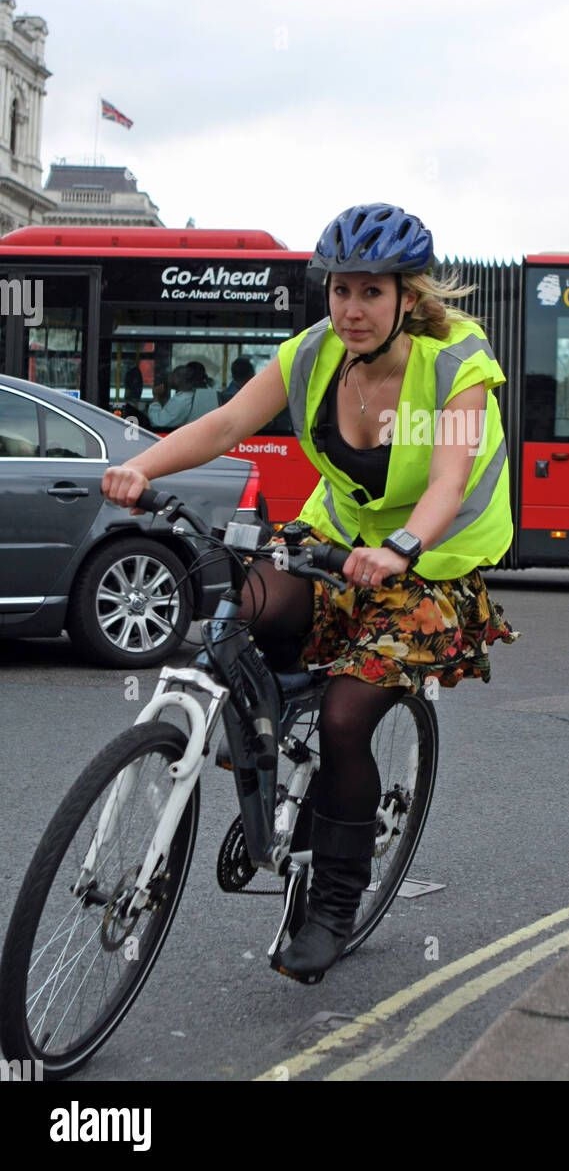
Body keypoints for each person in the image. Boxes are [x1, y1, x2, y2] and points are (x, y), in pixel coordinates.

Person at [100, 202, 517, 984]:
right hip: (333, 543)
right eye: (339, 290)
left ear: (407, 296)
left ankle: (332, 902)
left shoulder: (461, 362)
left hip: (432, 564)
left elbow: (450, 481)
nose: (351, 310)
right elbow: (225, 423)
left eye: (370, 293)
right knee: (245, 604)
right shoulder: (313, 354)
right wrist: (144, 470)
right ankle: (268, 735)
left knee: (348, 712)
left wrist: (399, 549)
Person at [148, 361, 219, 428]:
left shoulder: (182, 399)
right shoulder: (200, 395)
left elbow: (159, 422)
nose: (170, 377)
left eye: (174, 375)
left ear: (183, 379)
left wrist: (156, 397)